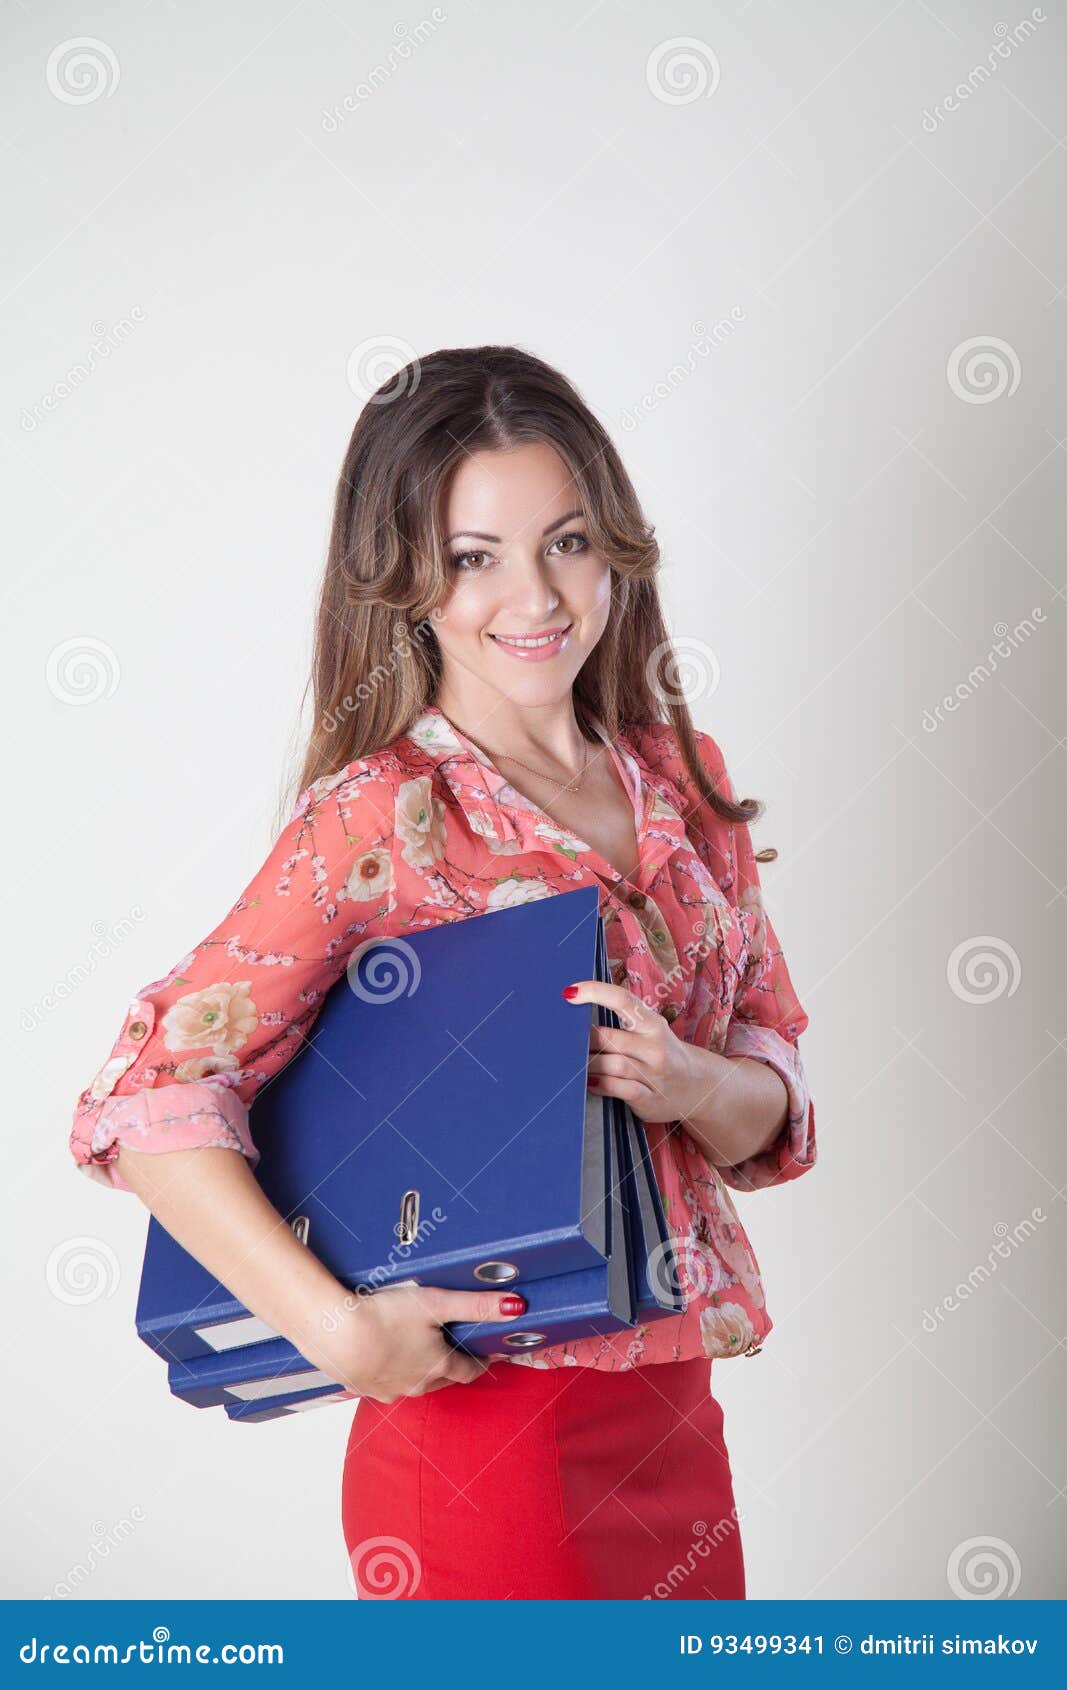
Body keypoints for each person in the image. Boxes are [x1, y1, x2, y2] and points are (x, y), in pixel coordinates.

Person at [69, 344, 816, 1601]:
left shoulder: (685, 785)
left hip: (674, 1418)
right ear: (406, 580)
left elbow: (773, 1094)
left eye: (565, 541)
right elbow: (146, 1100)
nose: (533, 594)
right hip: (482, 1437)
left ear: (614, 549)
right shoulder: (380, 817)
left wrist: (689, 1079)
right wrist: (338, 1331)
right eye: (473, 557)